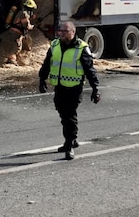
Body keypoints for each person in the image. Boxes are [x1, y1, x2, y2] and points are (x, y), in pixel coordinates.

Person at [38, 20, 100, 160]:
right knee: (62, 113)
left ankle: (69, 144)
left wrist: (95, 88)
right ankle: (72, 139)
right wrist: (42, 79)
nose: (61, 33)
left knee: (70, 115)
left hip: (74, 88)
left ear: (73, 32)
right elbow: (47, 63)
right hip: (59, 86)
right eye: (60, 31)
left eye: (64, 31)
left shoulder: (82, 48)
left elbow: (90, 70)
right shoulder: (54, 45)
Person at [5, 0, 37, 65]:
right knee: (16, 48)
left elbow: (21, 22)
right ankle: (11, 61)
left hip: (15, 33)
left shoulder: (21, 13)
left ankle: (16, 60)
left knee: (20, 47)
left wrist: (31, 19)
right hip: (15, 34)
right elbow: (27, 26)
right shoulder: (24, 14)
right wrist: (33, 26)